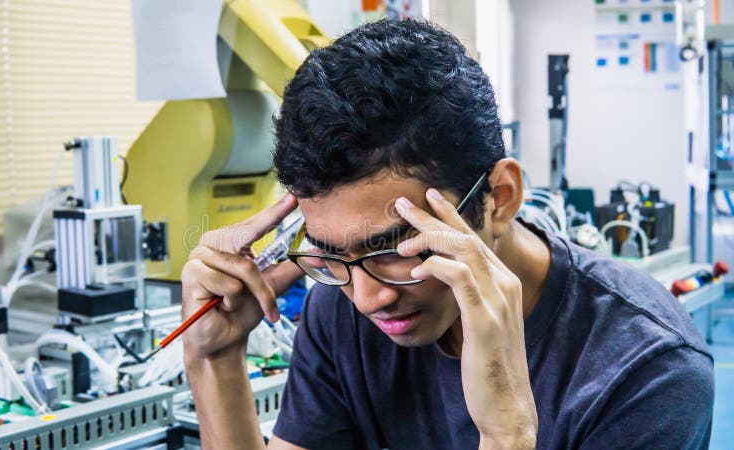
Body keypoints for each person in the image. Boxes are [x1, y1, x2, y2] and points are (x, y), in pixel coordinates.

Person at [181, 19, 714, 450]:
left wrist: (506, 435)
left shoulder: (646, 371)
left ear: (499, 198)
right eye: (328, 254)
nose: (368, 298)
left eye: (395, 248)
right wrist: (214, 361)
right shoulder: (343, 300)